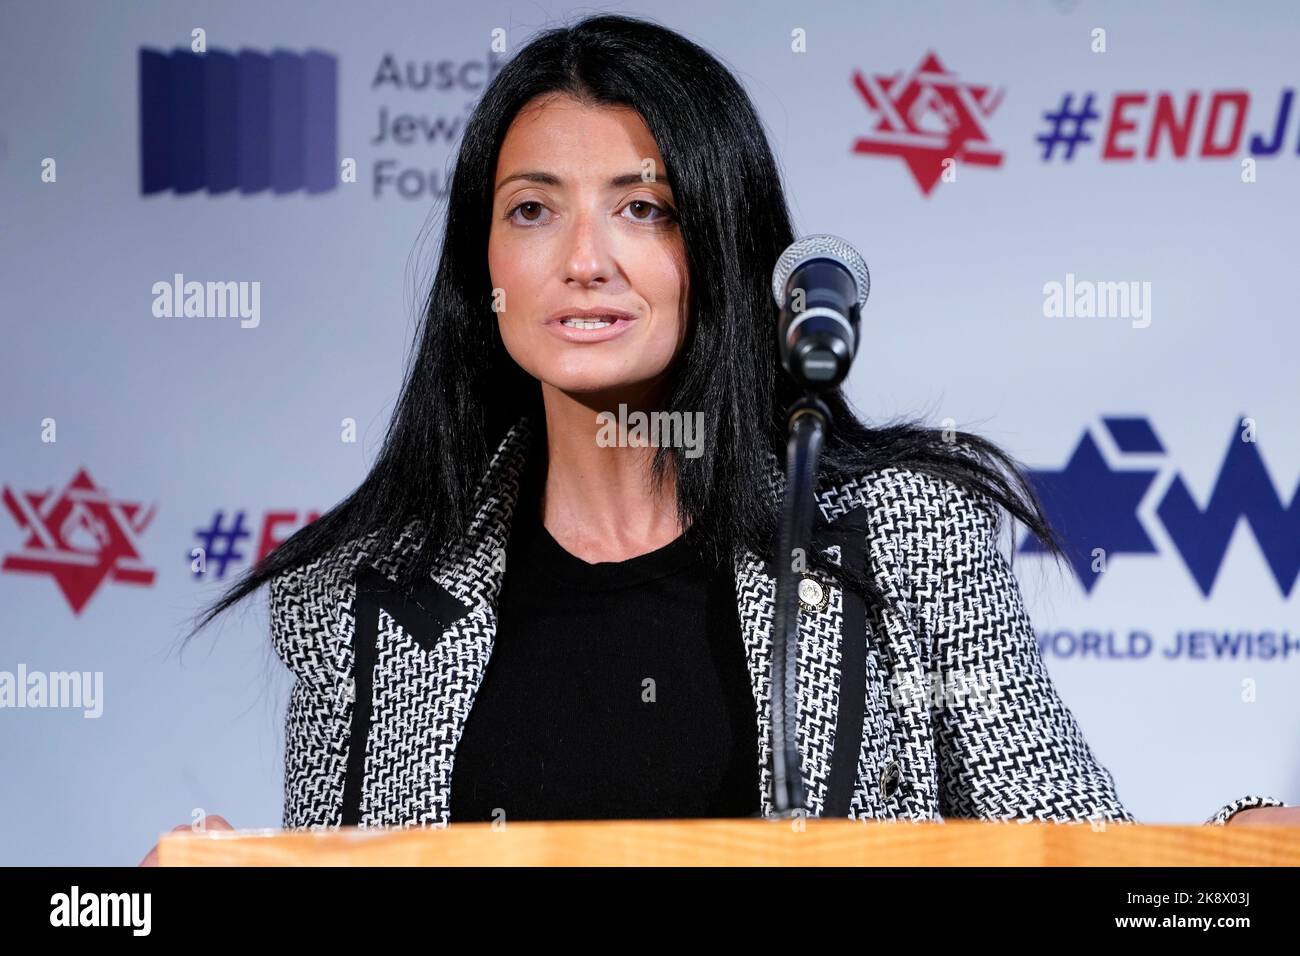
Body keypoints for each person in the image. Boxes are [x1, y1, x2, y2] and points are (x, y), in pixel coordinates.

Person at [140, 14, 1291, 863]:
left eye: (643, 208)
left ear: (725, 250)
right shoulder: (363, 595)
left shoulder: (899, 535)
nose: (582, 258)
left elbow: (1065, 845)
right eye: (532, 209)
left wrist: (1233, 847)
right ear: (481, 267)